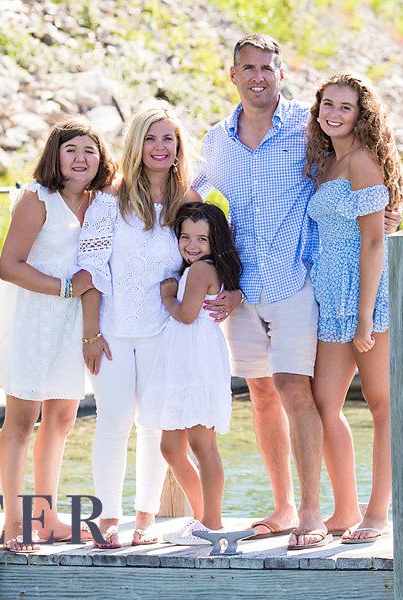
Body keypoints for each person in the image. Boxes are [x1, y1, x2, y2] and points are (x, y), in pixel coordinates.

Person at [188, 33, 401, 550]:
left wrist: (390, 217)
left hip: (313, 288)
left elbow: (376, 209)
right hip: (286, 291)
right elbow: (191, 194)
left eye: (268, 67)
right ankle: (329, 507)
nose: (258, 75)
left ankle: (368, 511)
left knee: (350, 401)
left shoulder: (307, 130)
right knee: (307, 400)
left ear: (281, 74)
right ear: (233, 74)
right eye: (248, 67)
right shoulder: (228, 141)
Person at [0, 118, 117, 552]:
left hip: (71, 325)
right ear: (55, 156)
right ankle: (13, 522)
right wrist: (64, 287)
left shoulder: (100, 203)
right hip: (32, 317)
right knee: (21, 421)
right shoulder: (36, 198)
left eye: (90, 151)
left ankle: (47, 517)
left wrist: (88, 322)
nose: (81, 158)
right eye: (71, 149)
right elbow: (10, 265)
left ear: (100, 159)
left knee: (60, 419)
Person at [77, 103, 190, 549]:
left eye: (168, 139)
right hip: (113, 330)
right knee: (114, 421)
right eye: (151, 138)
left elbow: (205, 260)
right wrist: (90, 331)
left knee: (155, 426)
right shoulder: (108, 199)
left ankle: (145, 519)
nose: (160, 147)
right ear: (136, 144)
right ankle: (108, 519)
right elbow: (90, 268)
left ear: (178, 147)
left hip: (165, 330)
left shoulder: (188, 202)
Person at [304, 72, 403, 543]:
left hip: (367, 294)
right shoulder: (327, 161)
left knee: (381, 405)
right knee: (325, 403)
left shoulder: (363, 160)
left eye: (344, 107)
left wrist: (366, 313)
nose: (333, 113)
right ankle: (344, 509)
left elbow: (372, 240)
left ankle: (377, 512)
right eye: (328, 104)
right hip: (329, 296)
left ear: (361, 114)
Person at [136, 202, 242, 545]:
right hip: (182, 361)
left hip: (195, 362)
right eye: (185, 237)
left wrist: (167, 296)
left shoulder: (199, 271)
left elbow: (184, 314)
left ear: (216, 241)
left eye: (201, 238)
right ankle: (202, 521)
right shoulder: (197, 268)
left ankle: (211, 524)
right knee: (170, 447)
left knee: (202, 444)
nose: (192, 245)